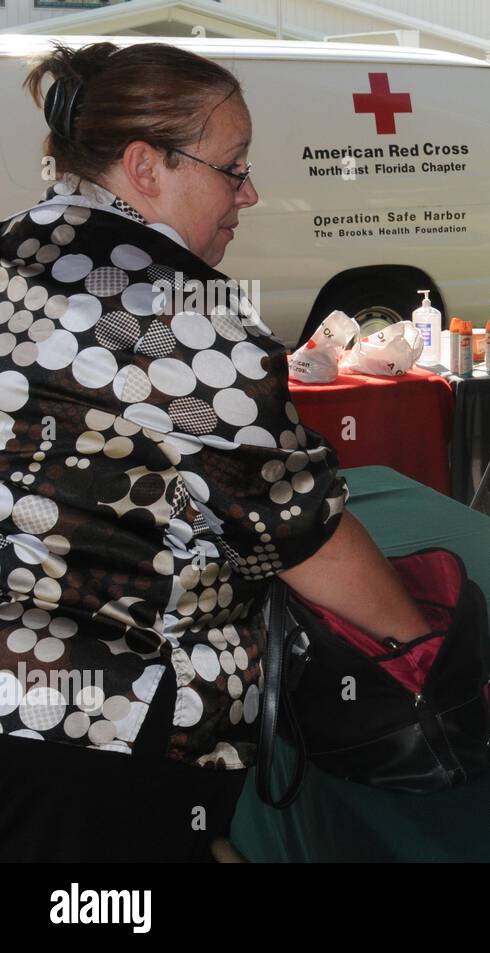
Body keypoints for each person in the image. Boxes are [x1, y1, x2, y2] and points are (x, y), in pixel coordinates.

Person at [0, 41, 433, 862]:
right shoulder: (182, 317)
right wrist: (423, 655)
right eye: (232, 168)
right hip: (113, 733)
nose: (251, 192)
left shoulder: (16, 246)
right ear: (145, 165)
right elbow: (300, 532)